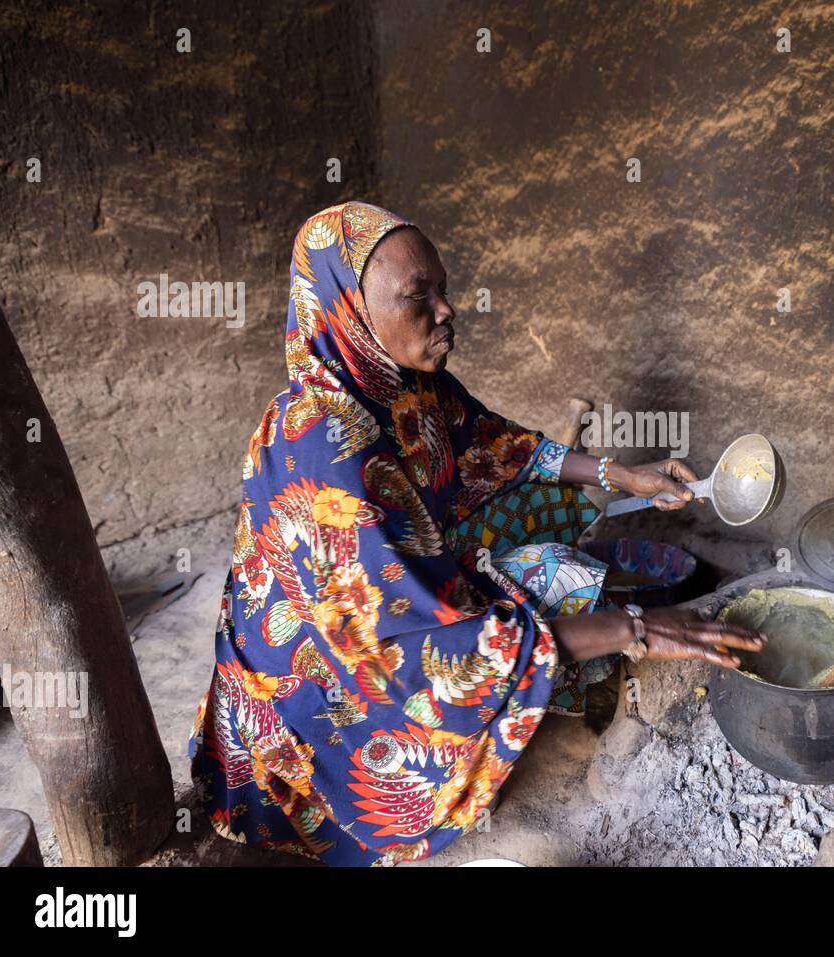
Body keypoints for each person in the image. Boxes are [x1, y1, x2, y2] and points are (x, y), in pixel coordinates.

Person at [189, 202, 765, 865]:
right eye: (419, 298)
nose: (447, 309)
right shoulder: (320, 443)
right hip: (316, 690)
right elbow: (418, 655)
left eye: (443, 288)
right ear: (349, 308)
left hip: (395, 608)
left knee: (553, 567)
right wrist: (634, 626)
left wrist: (620, 474)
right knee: (495, 660)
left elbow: (494, 447)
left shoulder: (402, 383)